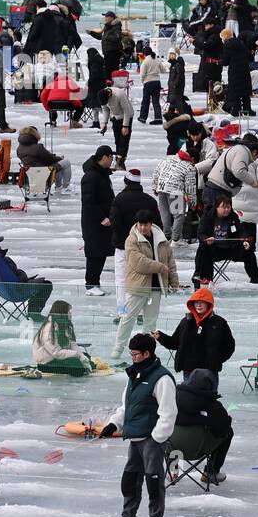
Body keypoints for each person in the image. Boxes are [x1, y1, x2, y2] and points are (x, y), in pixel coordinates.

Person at [100, 333, 177, 517]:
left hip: (152, 439)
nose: (133, 358)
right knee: (130, 479)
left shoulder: (162, 378)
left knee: (153, 481)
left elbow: (168, 413)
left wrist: (157, 437)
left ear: (147, 353)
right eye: (131, 354)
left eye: (136, 354)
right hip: (134, 438)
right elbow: (127, 406)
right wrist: (114, 423)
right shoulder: (134, 375)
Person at [112, 210, 179, 361]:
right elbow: (138, 263)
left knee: (150, 322)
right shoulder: (131, 240)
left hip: (156, 286)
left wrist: (174, 280)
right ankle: (118, 349)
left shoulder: (161, 239)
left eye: (146, 225)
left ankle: (146, 351)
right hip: (138, 287)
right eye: (140, 224)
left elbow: (170, 261)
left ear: (151, 224)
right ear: (137, 224)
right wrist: (160, 267)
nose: (143, 228)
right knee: (128, 318)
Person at [154, 287, 236, 380]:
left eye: (202, 302)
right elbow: (175, 343)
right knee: (189, 395)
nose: (199, 305)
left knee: (208, 395)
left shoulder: (219, 322)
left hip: (209, 372)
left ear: (209, 304)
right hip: (188, 371)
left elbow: (229, 346)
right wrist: (160, 337)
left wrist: (216, 360)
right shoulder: (186, 321)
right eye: (196, 302)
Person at [109, 169, 160, 315]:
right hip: (145, 246)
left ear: (126, 182)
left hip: (122, 247)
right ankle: (141, 312)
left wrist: (123, 237)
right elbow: (158, 225)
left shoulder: (118, 200)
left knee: (121, 279)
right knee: (143, 279)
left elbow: (114, 222)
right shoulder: (149, 201)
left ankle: (122, 311)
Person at [174, 368, 234, 485]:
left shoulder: (173, 399)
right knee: (228, 432)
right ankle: (211, 473)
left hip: (173, 446)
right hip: (199, 448)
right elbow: (222, 430)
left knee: (168, 429)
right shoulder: (213, 405)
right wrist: (227, 420)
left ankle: (172, 471)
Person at [0, 235, 53, 319]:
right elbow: (20, 276)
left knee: (38, 283)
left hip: (2, 292)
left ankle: (33, 313)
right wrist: (25, 276)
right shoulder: (2, 260)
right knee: (47, 285)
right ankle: (33, 314)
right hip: (17, 291)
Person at [80, 146, 115, 296]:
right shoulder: (91, 176)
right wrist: (102, 218)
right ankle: (91, 284)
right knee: (94, 253)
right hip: (94, 222)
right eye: (111, 158)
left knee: (101, 252)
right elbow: (88, 201)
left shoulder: (102, 174)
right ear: (104, 157)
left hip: (103, 221)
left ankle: (95, 283)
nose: (112, 161)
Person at [32, 301, 94, 376]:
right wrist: (77, 355)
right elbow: (56, 353)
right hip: (48, 363)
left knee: (86, 357)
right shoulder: (49, 329)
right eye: (69, 312)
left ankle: (84, 365)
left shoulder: (64, 325)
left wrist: (82, 356)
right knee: (78, 366)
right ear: (62, 313)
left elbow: (72, 344)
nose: (71, 315)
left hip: (59, 358)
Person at [152, 148, 198, 243]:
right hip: (175, 192)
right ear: (192, 158)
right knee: (178, 216)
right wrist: (192, 203)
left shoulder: (168, 158)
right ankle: (176, 240)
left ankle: (165, 236)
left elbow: (156, 172)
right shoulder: (189, 167)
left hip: (162, 188)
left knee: (164, 214)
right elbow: (190, 187)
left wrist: (155, 186)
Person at [15, 126, 71, 195]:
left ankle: (59, 187)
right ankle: (65, 187)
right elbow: (51, 159)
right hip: (43, 173)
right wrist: (60, 158)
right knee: (66, 163)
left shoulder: (19, 149)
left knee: (57, 165)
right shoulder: (38, 147)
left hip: (29, 175)